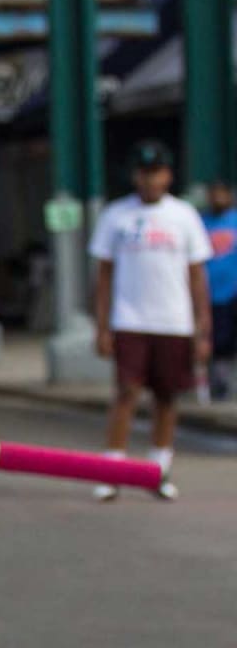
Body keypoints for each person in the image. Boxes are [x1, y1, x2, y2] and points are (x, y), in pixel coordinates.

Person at [89, 140, 211, 502]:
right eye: (143, 173)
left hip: (173, 320)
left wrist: (202, 326)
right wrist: (102, 325)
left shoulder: (184, 216)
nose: (150, 180)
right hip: (130, 319)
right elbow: (105, 276)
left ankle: (158, 470)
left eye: (156, 173)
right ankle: (111, 471)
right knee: (126, 392)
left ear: (168, 175)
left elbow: (196, 276)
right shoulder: (116, 216)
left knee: (167, 397)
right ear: (134, 176)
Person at [201, 180, 237, 398]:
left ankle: (224, 379)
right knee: (214, 339)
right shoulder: (201, 222)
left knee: (229, 339)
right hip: (208, 293)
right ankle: (216, 382)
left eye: (221, 194)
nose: (217, 199)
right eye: (213, 194)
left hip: (232, 291)